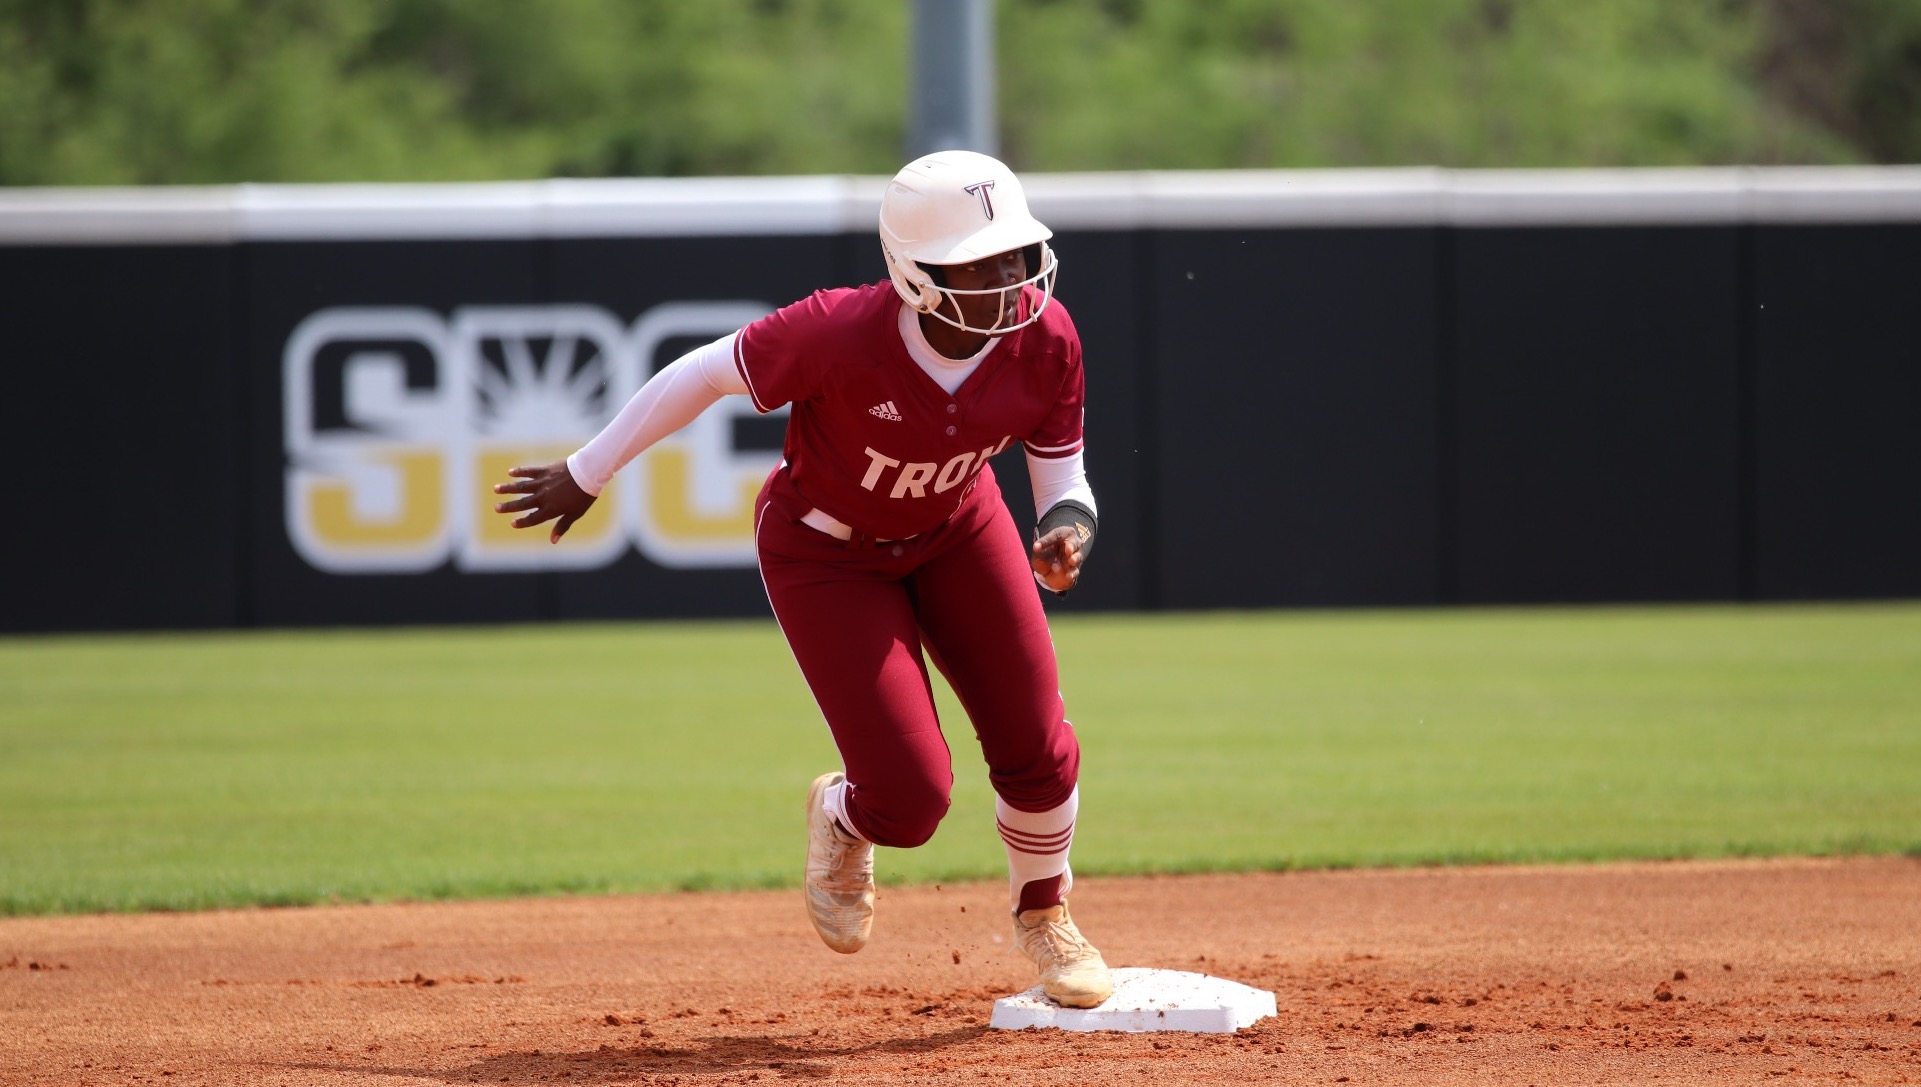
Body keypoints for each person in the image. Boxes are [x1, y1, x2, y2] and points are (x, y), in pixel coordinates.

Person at [492, 150, 1112, 1009]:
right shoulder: (836, 332)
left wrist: (1062, 529)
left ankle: (1045, 915)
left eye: (1016, 253)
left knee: (1038, 743)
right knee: (910, 799)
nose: (1011, 277)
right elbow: (703, 372)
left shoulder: (1047, 339)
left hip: (959, 527)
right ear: (918, 274)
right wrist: (589, 469)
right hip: (826, 553)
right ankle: (841, 816)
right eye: (983, 260)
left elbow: (1063, 480)